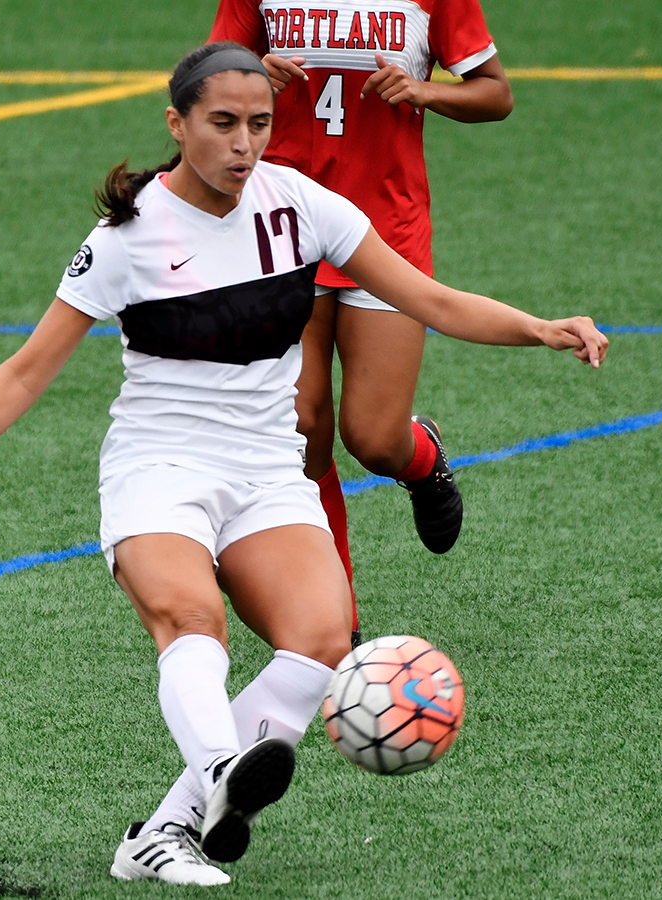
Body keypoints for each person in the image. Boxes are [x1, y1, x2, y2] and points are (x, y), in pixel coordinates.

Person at [0, 43, 605, 887]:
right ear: (177, 123)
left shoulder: (300, 204)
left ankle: (163, 832)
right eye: (223, 123)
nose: (244, 144)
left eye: (259, 124)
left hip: (266, 471)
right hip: (160, 470)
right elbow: (24, 371)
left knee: (322, 641)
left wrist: (540, 328)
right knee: (192, 619)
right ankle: (224, 770)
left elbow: (431, 300)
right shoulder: (126, 239)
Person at [209, 0, 517, 640]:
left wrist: (425, 91)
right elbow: (206, 80)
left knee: (374, 440)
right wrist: (251, 76)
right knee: (302, 431)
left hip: (387, 229)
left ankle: (423, 459)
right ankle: (337, 624)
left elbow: (495, 95)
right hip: (283, 226)